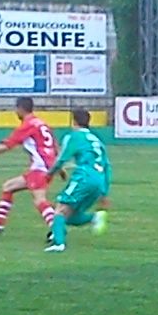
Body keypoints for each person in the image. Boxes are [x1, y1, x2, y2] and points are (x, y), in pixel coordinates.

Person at [0, 97, 59, 241]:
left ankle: (57, 229)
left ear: (20, 109)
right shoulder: (42, 124)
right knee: (9, 186)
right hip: (46, 166)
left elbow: (7, 145)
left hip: (40, 167)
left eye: (16, 109)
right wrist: (59, 168)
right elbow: (55, 146)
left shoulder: (27, 125)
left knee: (39, 200)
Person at [46, 107, 112, 253]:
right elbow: (107, 166)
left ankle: (58, 243)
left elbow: (62, 158)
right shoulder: (97, 140)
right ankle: (94, 218)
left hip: (84, 177)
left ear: (73, 121)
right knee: (70, 216)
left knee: (60, 210)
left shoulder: (74, 136)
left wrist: (50, 173)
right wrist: (105, 192)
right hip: (99, 180)